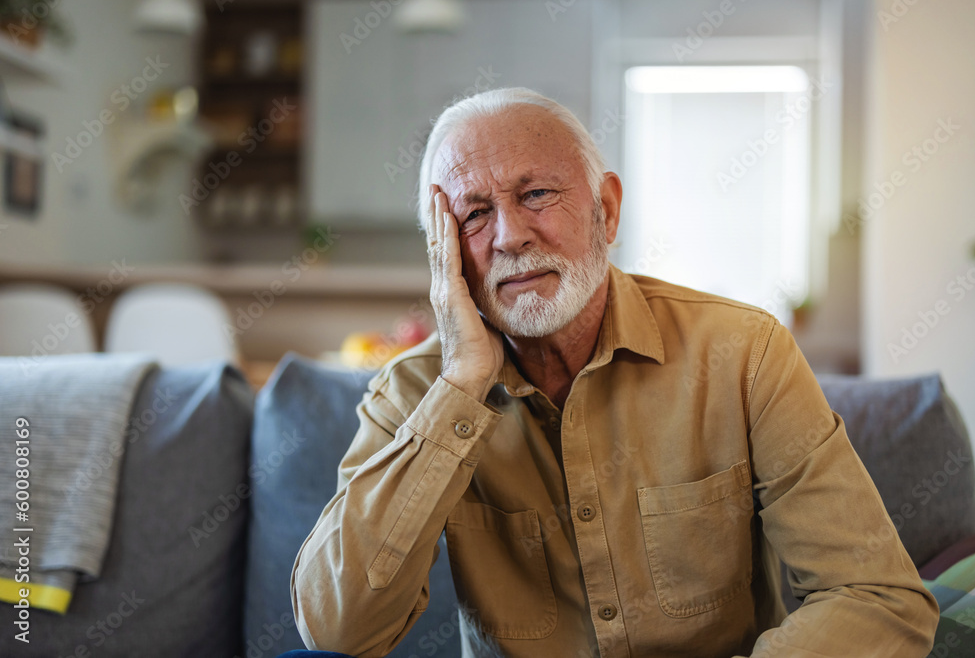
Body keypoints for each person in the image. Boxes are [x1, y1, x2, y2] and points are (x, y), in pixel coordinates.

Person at [290, 87, 938, 657]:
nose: (511, 234)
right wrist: (461, 382)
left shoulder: (743, 352)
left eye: (537, 194)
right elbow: (337, 633)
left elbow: (876, 594)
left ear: (607, 208)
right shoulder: (415, 390)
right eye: (475, 214)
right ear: (444, 249)